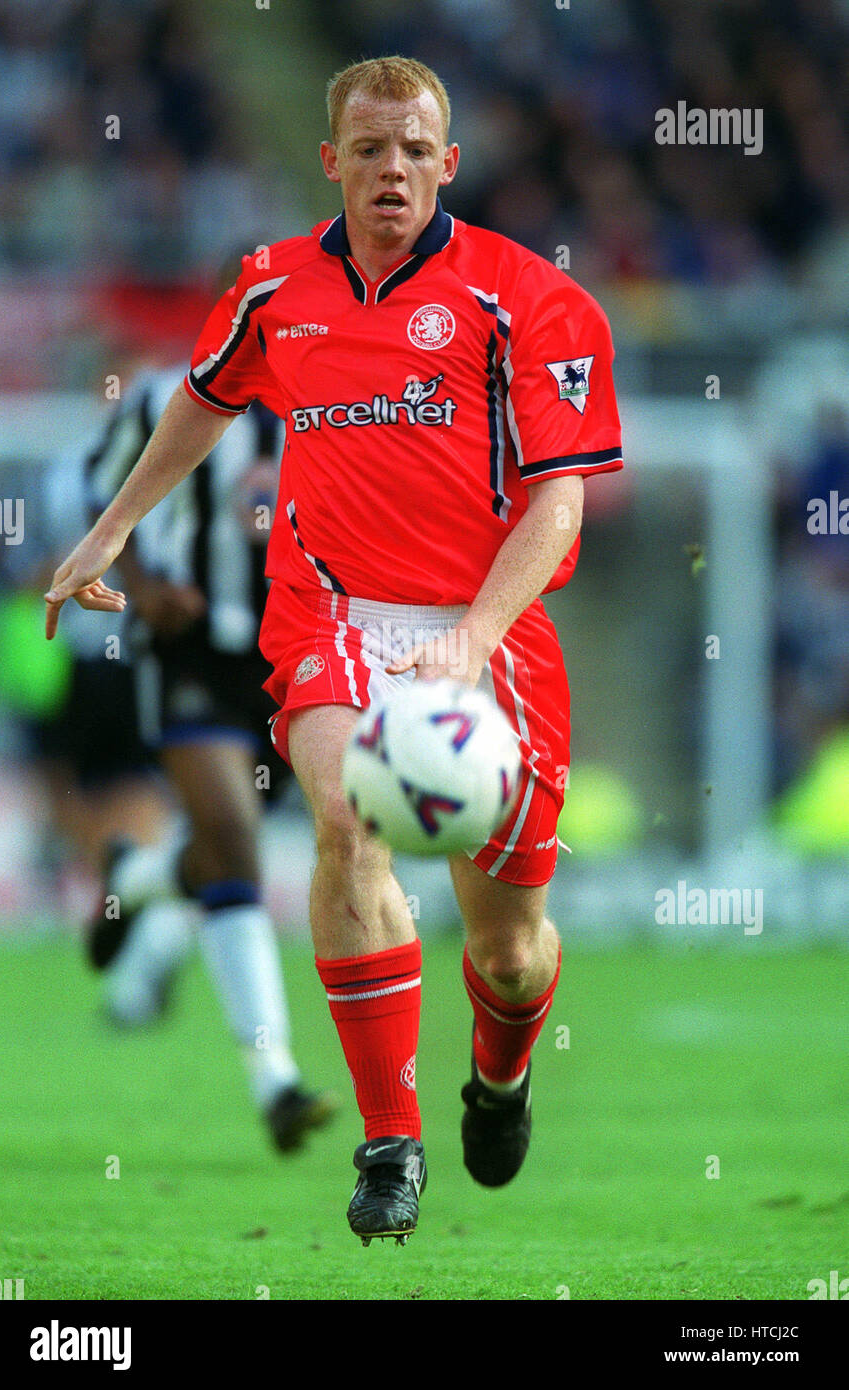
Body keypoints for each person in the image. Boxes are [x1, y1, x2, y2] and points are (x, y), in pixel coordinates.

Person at [45, 56, 623, 1245]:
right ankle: (387, 1142)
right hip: (329, 614)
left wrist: (470, 635)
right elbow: (201, 398)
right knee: (342, 828)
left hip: (487, 632)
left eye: (414, 151)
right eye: (369, 151)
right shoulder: (270, 287)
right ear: (333, 164)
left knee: (510, 953)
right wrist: (107, 531)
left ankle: (500, 1078)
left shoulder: (528, 300)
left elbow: (557, 505)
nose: (392, 171)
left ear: (447, 165)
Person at [79, 355, 338, 1153]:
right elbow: (101, 488)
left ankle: (138, 877)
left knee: (231, 848)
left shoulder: (343, 400)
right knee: (235, 843)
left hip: (301, 652)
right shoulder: (163, 396)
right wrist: (141, 580)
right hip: (191, 650)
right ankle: (277, 1083)